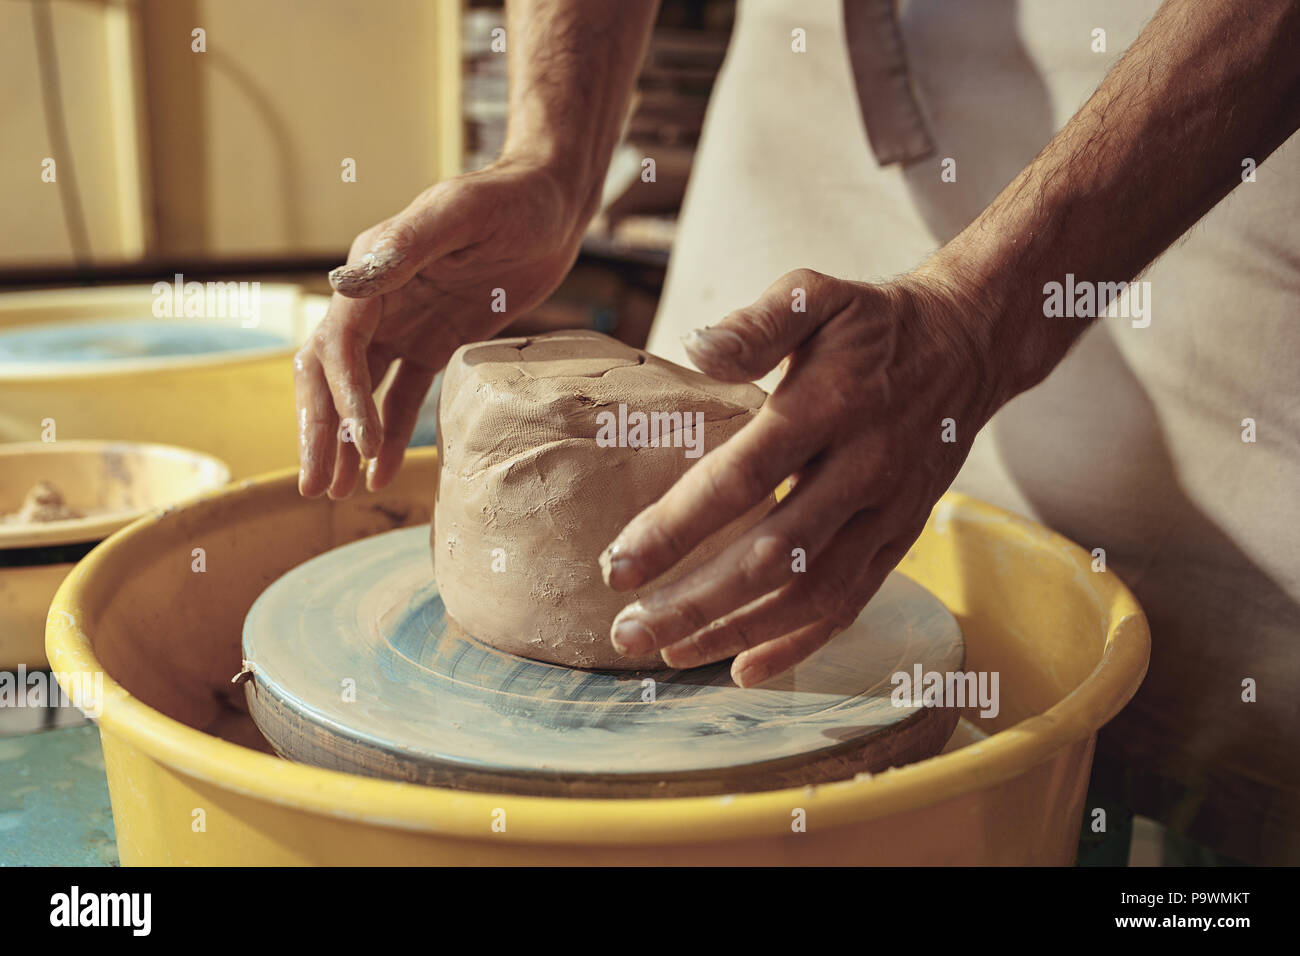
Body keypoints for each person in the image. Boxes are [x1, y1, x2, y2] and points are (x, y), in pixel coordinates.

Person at [294, 0, 1300, 863]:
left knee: (1171, 708)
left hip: (1183, 110)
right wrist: (555, 147)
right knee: (720, 420)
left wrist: (981, 321)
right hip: (807, 64)